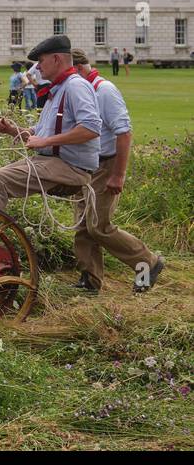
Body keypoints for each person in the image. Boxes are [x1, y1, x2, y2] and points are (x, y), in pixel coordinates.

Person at [0, 36, 101, 252]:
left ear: (56, 59)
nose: (37, 67)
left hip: (70, 167)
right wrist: (12, 130)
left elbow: (91, 129)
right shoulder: (58, 88)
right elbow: (40, 133)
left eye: (41, 61)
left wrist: (45, 141)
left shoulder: (76, 87)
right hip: (50, 161)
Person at [68, 49, 164, 293]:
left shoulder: (104, 91)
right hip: (86, 165)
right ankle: (90, 280)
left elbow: (124, 132)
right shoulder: (82, 90)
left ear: (78, 69)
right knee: (82, 225)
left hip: (106, 164)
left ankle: (148, 264)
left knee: (99, 226)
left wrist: (118, 175)